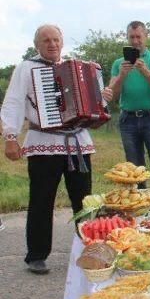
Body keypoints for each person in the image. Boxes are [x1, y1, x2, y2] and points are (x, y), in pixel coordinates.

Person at [1, 24, 94, 274]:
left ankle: (91, 249)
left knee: (85, 201)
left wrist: (102, 96)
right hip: (44, 142)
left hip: (77, 143)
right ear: (36, 45)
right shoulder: (26, 68)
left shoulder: (77, 68)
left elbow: (94, 102)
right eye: (46, 41)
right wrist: (11, 136)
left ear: (62, 43)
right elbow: (13, 102)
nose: (52, 44)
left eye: (55, 40)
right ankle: (37, 255)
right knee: (42, 200)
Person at [102, 21, 150, 205]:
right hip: (128, 120)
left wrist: (145, 71)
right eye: (131, 37)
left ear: (146, 37)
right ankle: (142, 212)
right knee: (134, 172)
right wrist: (122, 75)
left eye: (138, 37)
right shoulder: (119, 63)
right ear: (127, 38)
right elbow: (112, 94)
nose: (135, 41)